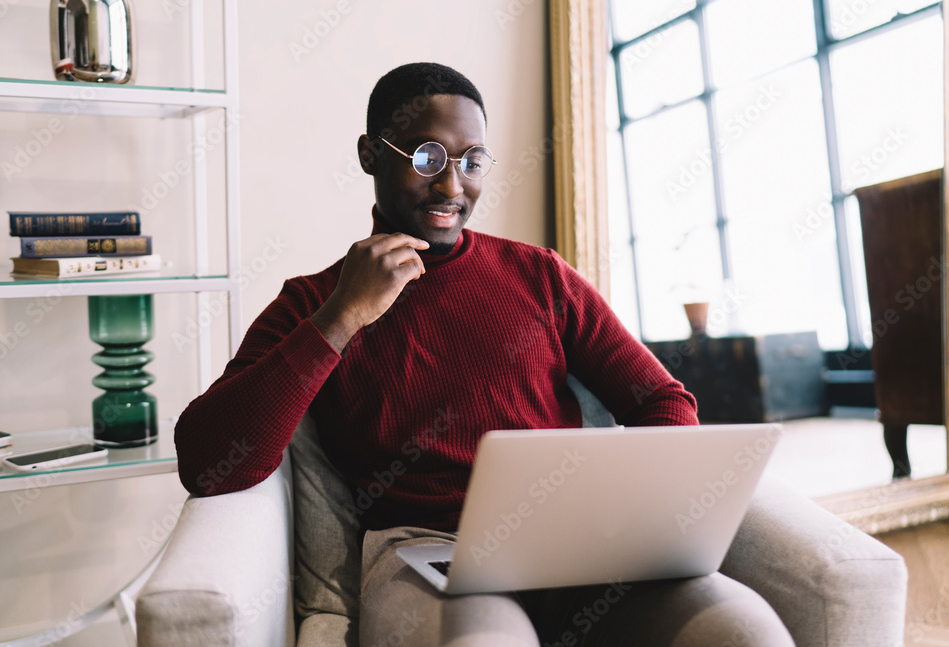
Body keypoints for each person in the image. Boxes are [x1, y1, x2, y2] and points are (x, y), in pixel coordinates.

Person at [175, 62, 794, 646]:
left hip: (572, 540)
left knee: (744, 630)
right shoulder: (312, 301)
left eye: (472, 162)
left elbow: (663, 402)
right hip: (424, 550)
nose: (452, 185)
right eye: (426, 158)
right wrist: (341, 318)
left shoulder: (540, 276)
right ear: (370, 155)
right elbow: (209, 463)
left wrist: (626, 518)